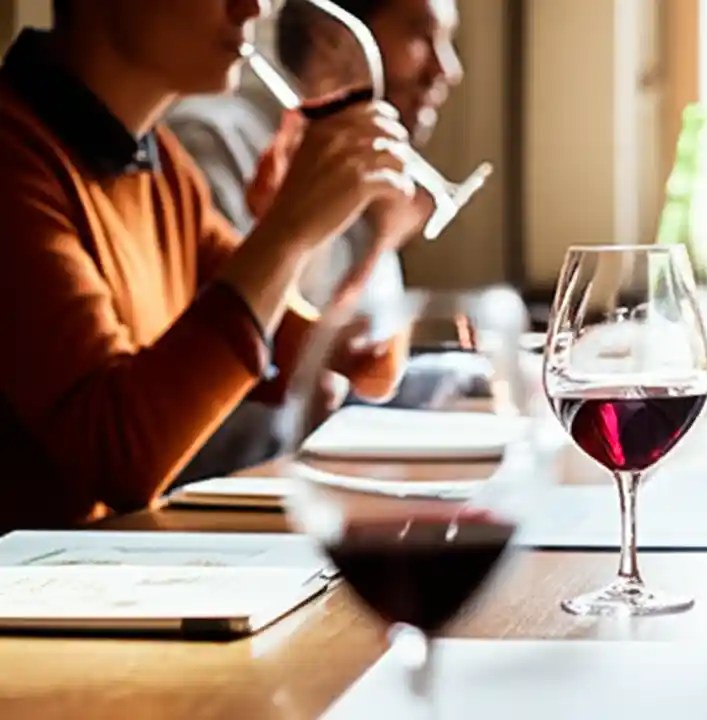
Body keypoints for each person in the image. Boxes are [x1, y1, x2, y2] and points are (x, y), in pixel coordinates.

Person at [0, 0, 416, 529]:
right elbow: (119, 457)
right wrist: (287, 230)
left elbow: (273, 338)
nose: (254, 6)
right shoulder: (13, 159)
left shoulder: (159, 163)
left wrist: (343, 347)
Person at [167, 0, 479, 482]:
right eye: (421, 35)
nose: (448, 69)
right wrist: (368, 242)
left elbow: (364, 378)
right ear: (333, 39)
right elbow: (258, 393)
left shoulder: (365, 163)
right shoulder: (212, 142)